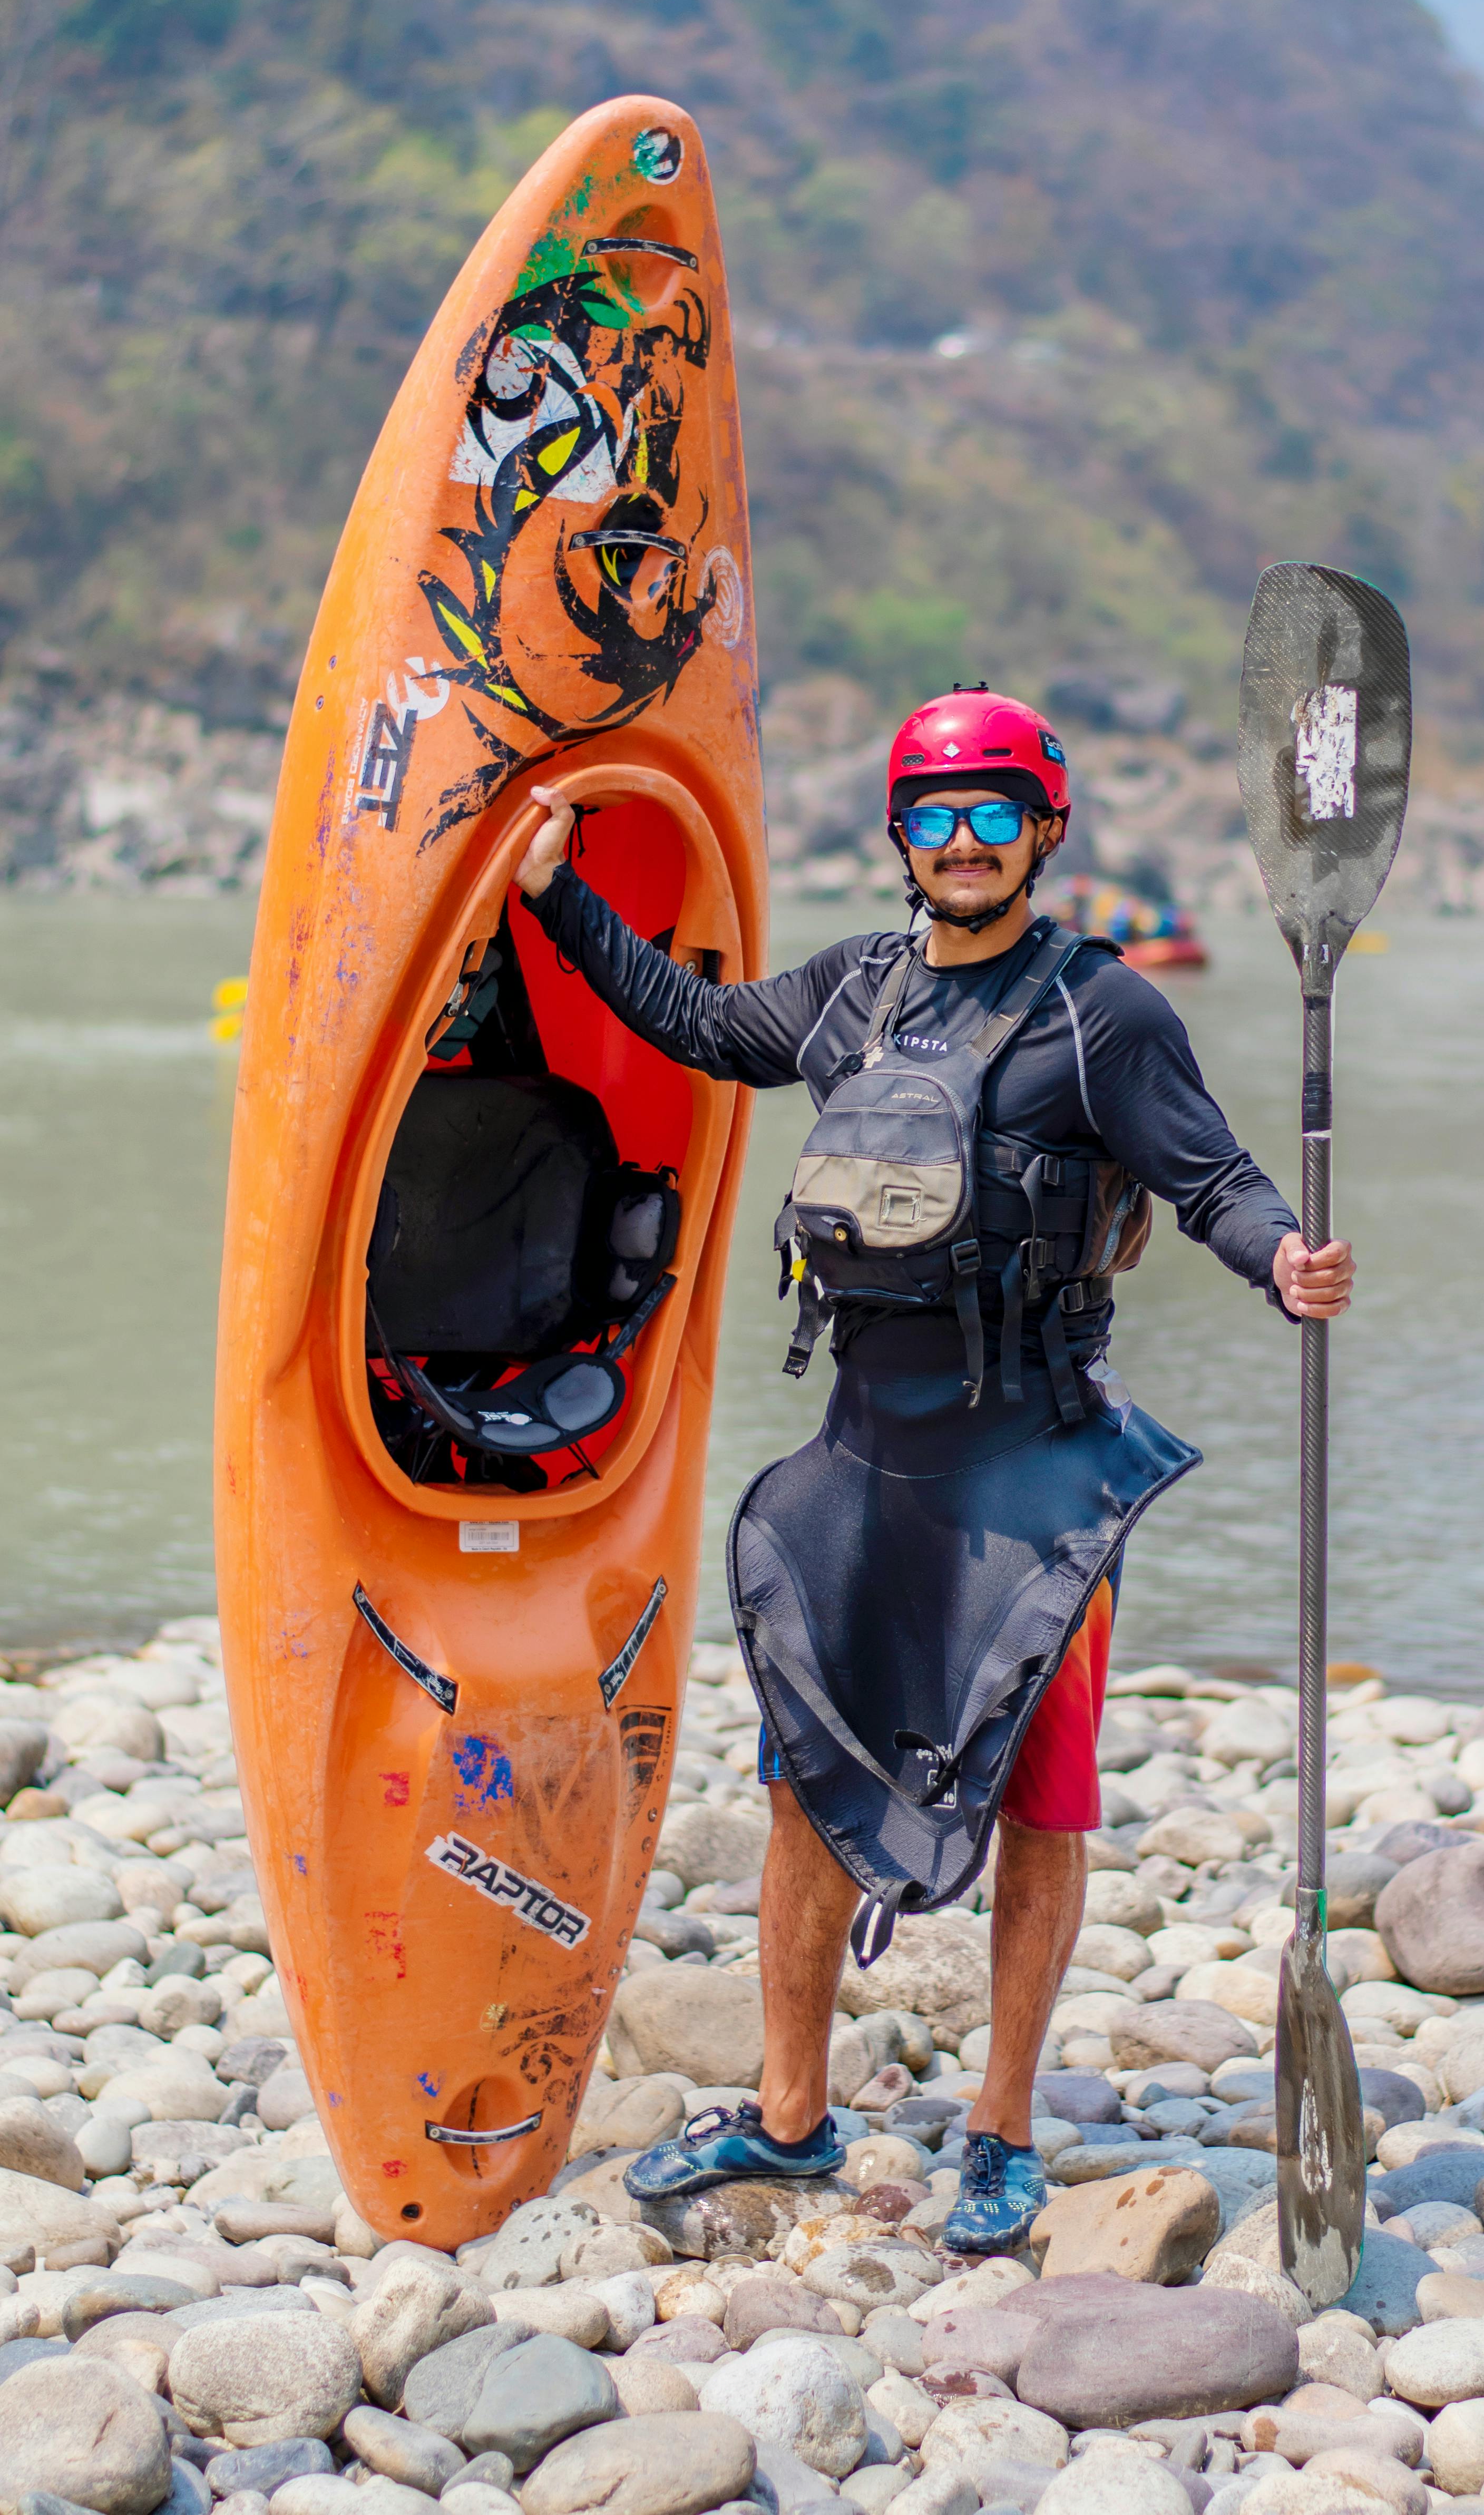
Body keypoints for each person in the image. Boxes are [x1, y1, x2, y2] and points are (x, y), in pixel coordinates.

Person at [513, 685, 1354, 2251]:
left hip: (1034, 1471)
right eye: (931, 815)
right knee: (803, 1792)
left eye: (990, 816)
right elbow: (696, 1026)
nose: (960, 843)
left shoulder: (1104, 1014)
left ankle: (1002, 2130)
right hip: (864, 1460)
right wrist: (555, 895)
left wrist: (1280, 1257)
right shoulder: (851, 994)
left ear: (1043, 831)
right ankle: (785, 2119)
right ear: (897, 834)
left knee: (1040, 1803)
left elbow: (1212, 1176)